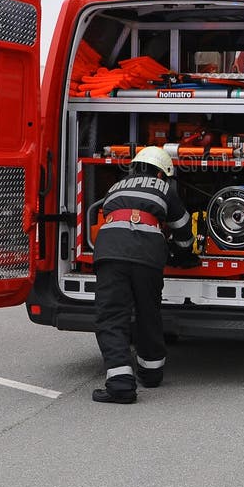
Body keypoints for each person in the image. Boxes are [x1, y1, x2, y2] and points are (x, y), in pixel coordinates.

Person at [92, 146, 198, 404]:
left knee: (112, 316)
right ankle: (151, 374)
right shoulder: (165, 189)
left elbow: (107, 214)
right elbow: (183, 227)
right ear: (163, 173)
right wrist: (184, 257)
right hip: (147, 256)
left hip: (110, 252)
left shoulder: (117, 186)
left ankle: (120, 383)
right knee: (148, 312)